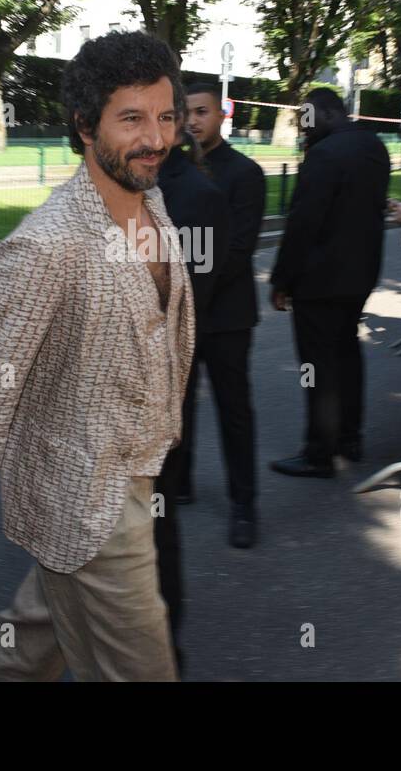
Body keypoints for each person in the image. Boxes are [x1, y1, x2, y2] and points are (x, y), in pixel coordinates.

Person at [0, 30, 195, 682]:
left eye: (165, 116)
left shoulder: (155, 204)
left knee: (28, 647)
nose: (156, 138)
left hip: (133, 469)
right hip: (90, 494)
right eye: (131, 119)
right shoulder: (47, 245)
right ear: (84, 125)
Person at [269, 87, 391, 478]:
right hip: (360, 276)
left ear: (327, 114)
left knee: (316, 367)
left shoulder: (323, 155)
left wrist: (281, 280)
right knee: (347, 357)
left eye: (307, 117)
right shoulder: (375, 147)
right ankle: (350, 438)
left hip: (318, 282)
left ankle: (319, 451)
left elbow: (303, 223)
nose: (303, 126)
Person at [165, 82, 266, 547]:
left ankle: (244, 505)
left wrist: (190, 294)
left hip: (226, 316)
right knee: (177, 406)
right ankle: (178, 483)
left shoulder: (244, 173)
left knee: (234, 410)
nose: (192, 121)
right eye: (185, 113)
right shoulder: (169, 170)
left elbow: (237, 249)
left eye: (201, 112)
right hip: (180, 312)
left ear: (221, 116)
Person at [154, 126, 229, 654]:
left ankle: (161, 645)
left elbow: (186, 305)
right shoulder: (116, 187)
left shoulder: (196, 198)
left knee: (152, 520)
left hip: (155, 389)